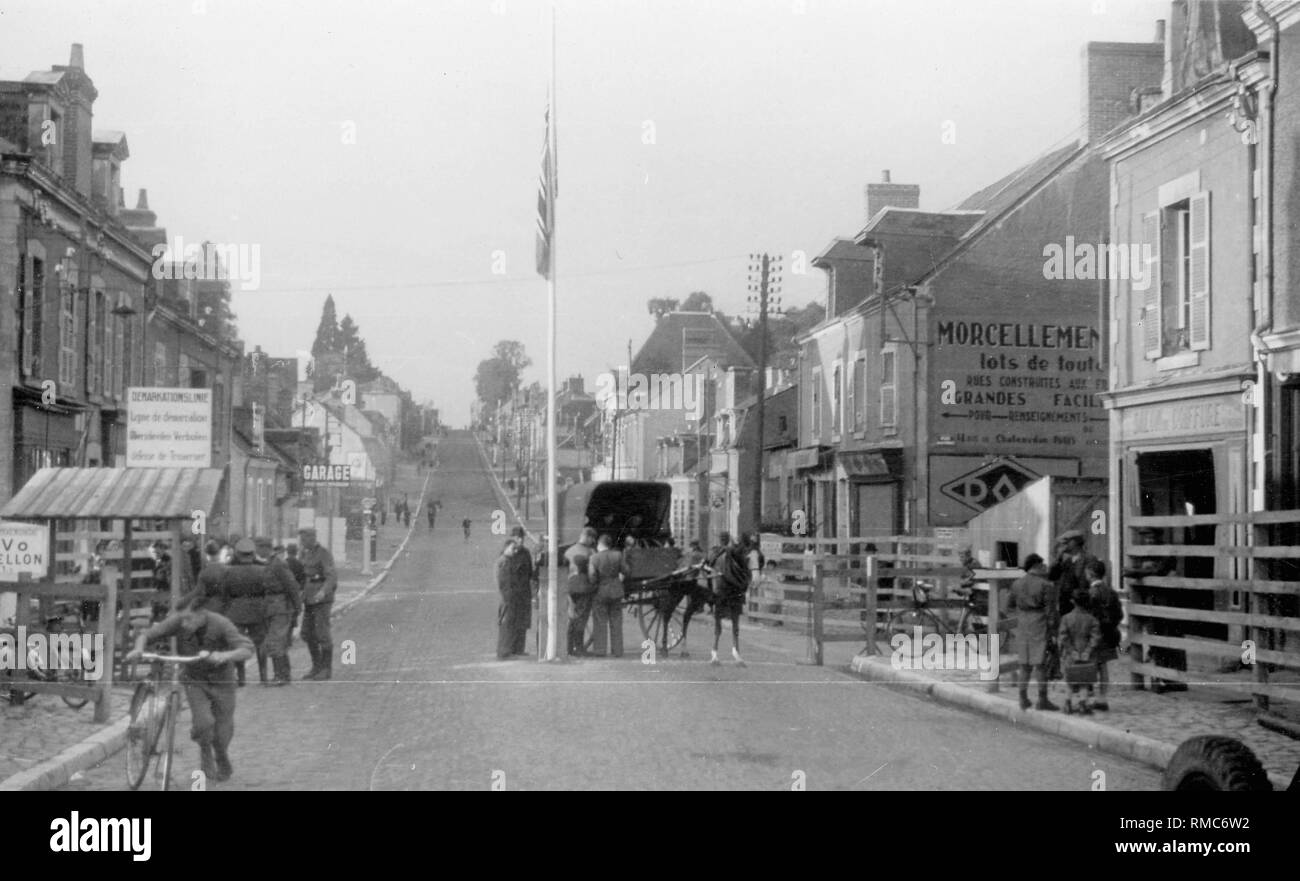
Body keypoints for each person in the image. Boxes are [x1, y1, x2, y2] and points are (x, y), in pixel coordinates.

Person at [124, 596, 254, 782]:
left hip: (222, 682)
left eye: (188, 619)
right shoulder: (179, 620)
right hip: (195, 680)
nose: (183, 624)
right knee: (203, 724)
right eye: (181, 619)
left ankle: (221, 756)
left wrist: (224, 655)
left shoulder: (222, 624)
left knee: (222, 732)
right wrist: (139, 648)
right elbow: (148, 634)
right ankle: (205, 753)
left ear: (202, 614)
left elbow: (247, 648)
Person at [196, 538, 271, 686]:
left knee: (238, 644)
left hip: (236, 610)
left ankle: (241, 678)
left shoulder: (229, 571)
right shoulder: (262, 570)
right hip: (258, 609)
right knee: (261, 643)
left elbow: (224, 593)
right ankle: (264, 677)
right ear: (252, 553)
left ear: (238, 553)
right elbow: (267, 591)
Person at [1122, 526, 1183, 692]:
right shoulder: (1143, 553)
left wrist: (1136, 571)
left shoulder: (1166, 552)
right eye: (1146, 538)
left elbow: (1160, 570)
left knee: (1170, 638)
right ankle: (1157, 678)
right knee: (1154, 638)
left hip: (1167, 601)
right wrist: (1143, 571)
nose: (1149, 541)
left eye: (1152, 537)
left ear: (1158, 537)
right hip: (1149, 601)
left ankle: (1174, 679)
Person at [1008, 553, 1060, 712]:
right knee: (1040, 664)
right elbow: (1051, 611)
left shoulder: (1017, 584)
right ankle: (1042, 700)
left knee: (1024, 664)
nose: (1044, 567)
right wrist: (1053, 632)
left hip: (1023, 622)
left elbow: (1009, 605)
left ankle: (1023, 699)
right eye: (1042, 564)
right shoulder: (1046, 585)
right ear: (1036, 566)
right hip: (1039, 622)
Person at [254, 536, 301, 686]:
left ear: (265, 548)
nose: (256, 551)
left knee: (276, 641)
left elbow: (292, 585)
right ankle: (282, 675)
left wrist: (297, 607)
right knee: (278, 641)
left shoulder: (278, 564)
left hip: (281, 607)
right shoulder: (270, 563)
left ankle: (281, 676)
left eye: (258, 548)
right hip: (272, 607)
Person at [298, 527, 338, 680]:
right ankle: (316, 666)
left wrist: (323, 591)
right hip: (309, 598)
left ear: (312, 538)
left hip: (321, 599)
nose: (301, 542)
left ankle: (326, 669)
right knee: (307, 633)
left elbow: (331, 576)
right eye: (301, 539)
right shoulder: (304, 553)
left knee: (322, 633)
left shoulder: (323, 553)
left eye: (304, 538)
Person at [708, 532, 750, 666]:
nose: (723, 540)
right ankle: (716, 652)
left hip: (729, 587)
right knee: (725, 622)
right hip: (720, 589)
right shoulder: (717, 552)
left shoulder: (726, 552)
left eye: (724, 539)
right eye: (723, 539)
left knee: (730, 622)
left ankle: (732, 652)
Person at [1058, 586, 1101, 715]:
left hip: (1071, 654)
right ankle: (1083, 704)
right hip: (1087, 654)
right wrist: (1088, 650)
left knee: (1070, 679)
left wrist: (1072, 651)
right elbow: (1095, 638)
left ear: (1072, 601)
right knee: (1084, 680)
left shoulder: (1066, 618)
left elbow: (1063, 637)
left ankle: (1068, 703)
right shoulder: (1092, 619)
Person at [1087, 559, 1122, 711]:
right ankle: (1102, 698)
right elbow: (1119, 614)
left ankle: (1089, 698)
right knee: (1103, 666)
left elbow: (1088, 616)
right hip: (1108, 633)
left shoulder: (1091, 593)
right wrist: (1111, 625)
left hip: (1094, 634)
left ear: (1091, 573)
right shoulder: (1111, 592)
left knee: (1091, 665)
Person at [587, 533, 628, 657]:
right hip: (616, 591)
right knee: (616, 622)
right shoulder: (618, 555)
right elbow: (626, 570)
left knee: (600, 622)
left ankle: (600, 650)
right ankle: (618, 651)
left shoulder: (594, 558)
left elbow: (592, 577)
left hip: (601, 592)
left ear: (600, 544)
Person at [1048, 529, 1097, 619]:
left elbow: (1091, 582)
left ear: (1074, 542)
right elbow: (1052, 576)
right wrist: (1058, 559)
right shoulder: (1066, 561)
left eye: (1066, 543)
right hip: (1066, 607)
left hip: (1082, 606)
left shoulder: (1089, 559)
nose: (1063, 546)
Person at [564, 528, 598, 656]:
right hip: (584, 587)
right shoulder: (590, 552)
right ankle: (579, 648)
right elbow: (592, 573)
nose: (592, 541)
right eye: (592, 539)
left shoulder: (568, 551)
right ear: (588, 537)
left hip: (570, 586)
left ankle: (568, 648)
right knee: (582, 619)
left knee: (572, 617)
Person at [496, 539, 532, 659]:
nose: (515, 551)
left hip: (512, 597)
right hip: (508, 599)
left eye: (516, 549)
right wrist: (508, 599)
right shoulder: (504, 562)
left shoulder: (507, 560)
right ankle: (504, 652)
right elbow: (504, 583)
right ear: (506, 548)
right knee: (507, 625)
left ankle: (510, 651)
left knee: (511, 624)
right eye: (513, 548)